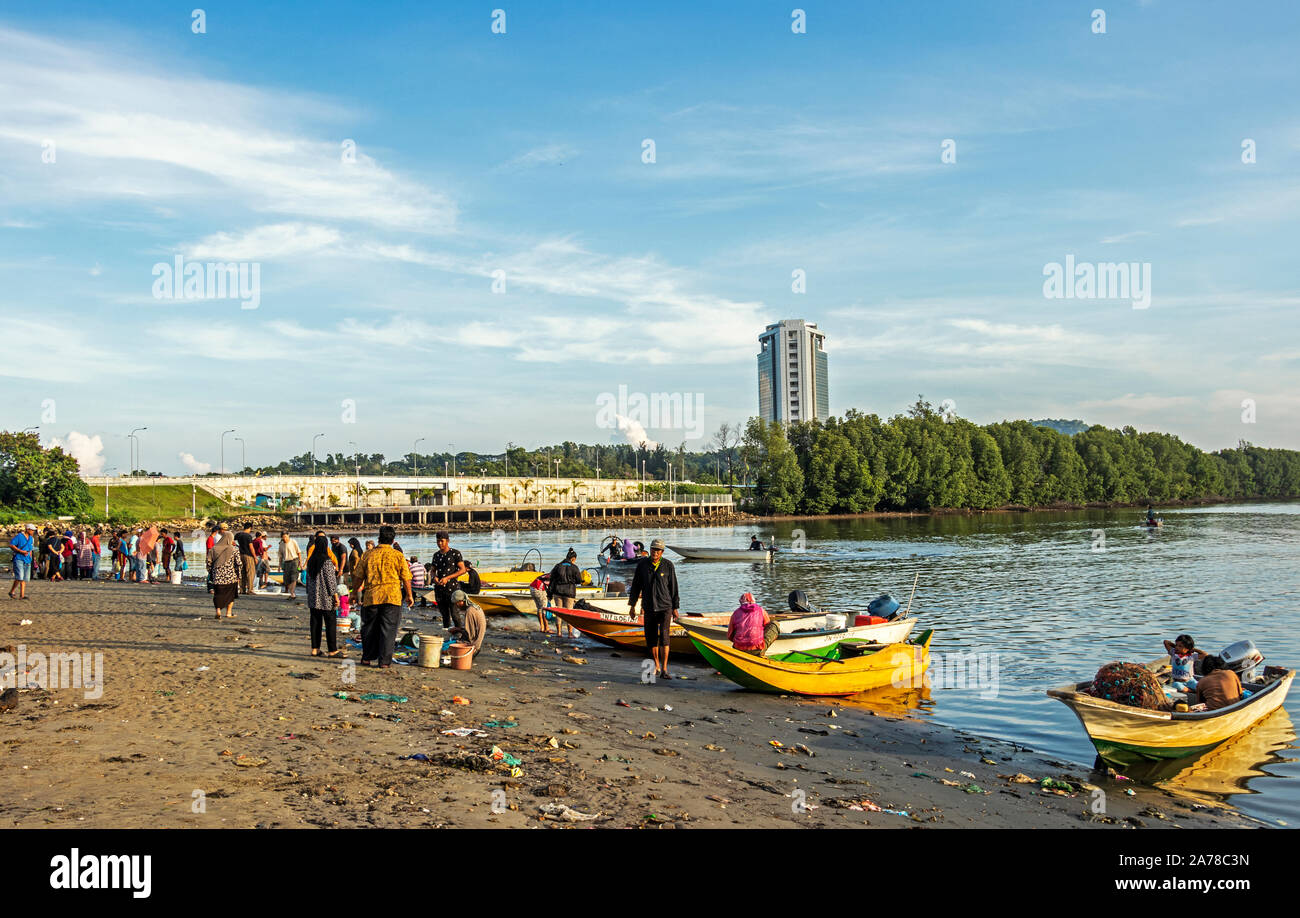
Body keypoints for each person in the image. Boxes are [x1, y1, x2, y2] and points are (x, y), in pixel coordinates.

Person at [350, 525, 413, 668]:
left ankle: (367, 658)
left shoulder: (368, 554)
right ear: (393, 540)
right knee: (388, 630)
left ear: (379, 538)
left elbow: (358, 576)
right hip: (392, 597)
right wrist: (409, 595)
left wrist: (354, 593)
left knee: (369, 628)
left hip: (371, 597)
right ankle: (384, 662)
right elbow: (406, 577)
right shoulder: (398, 555)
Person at [628, 538, 681, 680]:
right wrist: (632, 606)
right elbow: (635, 586)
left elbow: (673, 587)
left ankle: (664, 669)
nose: (654, 552)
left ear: (662, 552)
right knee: (650, 638)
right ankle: (656, 666)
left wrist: (675, 607)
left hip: (665, 607)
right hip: (649, 607)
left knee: (664, 638)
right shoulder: (642, 565)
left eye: (657, 550)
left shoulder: (668, 565)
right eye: (653, 549)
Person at [305, 534, 344, 657]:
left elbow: (308, 580)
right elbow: (330, 581)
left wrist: (309, 593)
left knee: (315, 623)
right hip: (325, 598)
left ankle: (315, 649)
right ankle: (332, 650)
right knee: (330, 623)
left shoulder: (310, 561)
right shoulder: (326, 561)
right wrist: (335, 596)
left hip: (313, 597)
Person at [429, 531, 467, 630]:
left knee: (455, 614)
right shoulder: (436, 555)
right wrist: (434, 577)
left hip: (452, 589)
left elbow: (463, 570)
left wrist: (448, 578)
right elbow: (432, 570)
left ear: (448, 541)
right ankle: (447, 634)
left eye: (442, 541)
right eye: (438, 541)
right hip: (439, 589)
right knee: (445, 616)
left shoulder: (455, 553)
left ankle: (460, 634)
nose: (439, 543)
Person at [208, 528, 242, 619]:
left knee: (218, 594)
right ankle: (228, 613)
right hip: (231, 577)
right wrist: (239, 576)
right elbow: (238, 564)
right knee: (231, 595)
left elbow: (208, 563)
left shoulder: (213, 549)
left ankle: (218, 611)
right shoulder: (234, 549)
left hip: (217, 577)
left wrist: (211, 573)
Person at [447, 589, 487, 659]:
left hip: (472, 647)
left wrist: (457, 630)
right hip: (475, 645)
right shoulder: (474, 606)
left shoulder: (470, 611)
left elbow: (470, 635)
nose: (457, 605)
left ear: (462, 601)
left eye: (457, 603)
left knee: (443, 647)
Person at [8, 523, 35, 599]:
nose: (33, 531)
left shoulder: (31, 538)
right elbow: (11, 545)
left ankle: (22, 595)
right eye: (32, 530)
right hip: (19, 558)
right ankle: (12, 591)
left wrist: (31, 559)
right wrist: (20, 551)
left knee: (24, 578)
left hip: (27, 560)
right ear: (28, 529)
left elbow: (30, 550)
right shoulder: (19, 536)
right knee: (20, 577)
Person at [234, 523, 256, 594]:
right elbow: (251, 547)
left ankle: (242, 589)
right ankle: (250, 589)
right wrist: (255, 557)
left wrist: (237, 546)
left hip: (240, 554)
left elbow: (232, 541)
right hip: (248, 555)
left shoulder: (239, 535)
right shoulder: (248, 536)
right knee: (250, 572)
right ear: (250, 528)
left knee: (242, 572)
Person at [279, 532, 302, 599]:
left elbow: (299, 552)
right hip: (286, 562)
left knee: (294, 578)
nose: (285, 538)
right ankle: (291, 592)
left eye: (286, 537)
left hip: (294, 561)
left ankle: (292, 593)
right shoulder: (281, 544)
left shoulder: (293, 542)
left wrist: (300, 563)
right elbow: (280, 556)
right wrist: (279, 566)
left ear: (288, 536)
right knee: (286, 579)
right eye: (283, 537)